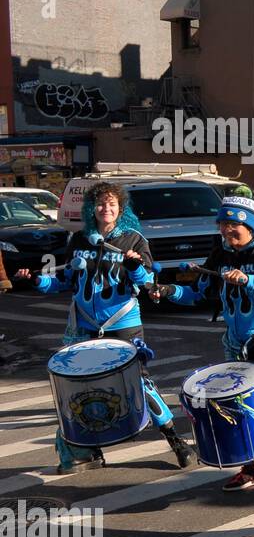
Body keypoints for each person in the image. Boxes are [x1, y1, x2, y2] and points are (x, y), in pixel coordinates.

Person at [16, 182, 196, 473]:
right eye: (100, 204)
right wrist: (35, 281)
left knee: (141, 382)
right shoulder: (79, 240)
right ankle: (90, 452)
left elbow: (146, 284)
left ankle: (175, 440)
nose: (106, 209)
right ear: (91, 209)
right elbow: (63, 283)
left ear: (120, 209)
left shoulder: (134, 240)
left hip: (123, 324)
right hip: (86, 326)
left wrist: (136, 266)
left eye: (112, 204)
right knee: (85, 387)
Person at [154, 192, 254, 490]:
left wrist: (248, 279)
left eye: (233, 226)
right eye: (222, 224)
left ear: (249, 225)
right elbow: (198, 294)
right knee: (242, 408)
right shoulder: (219, 254)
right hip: (236, 344)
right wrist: (168, 291)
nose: (226, 231)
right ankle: (253, 467)